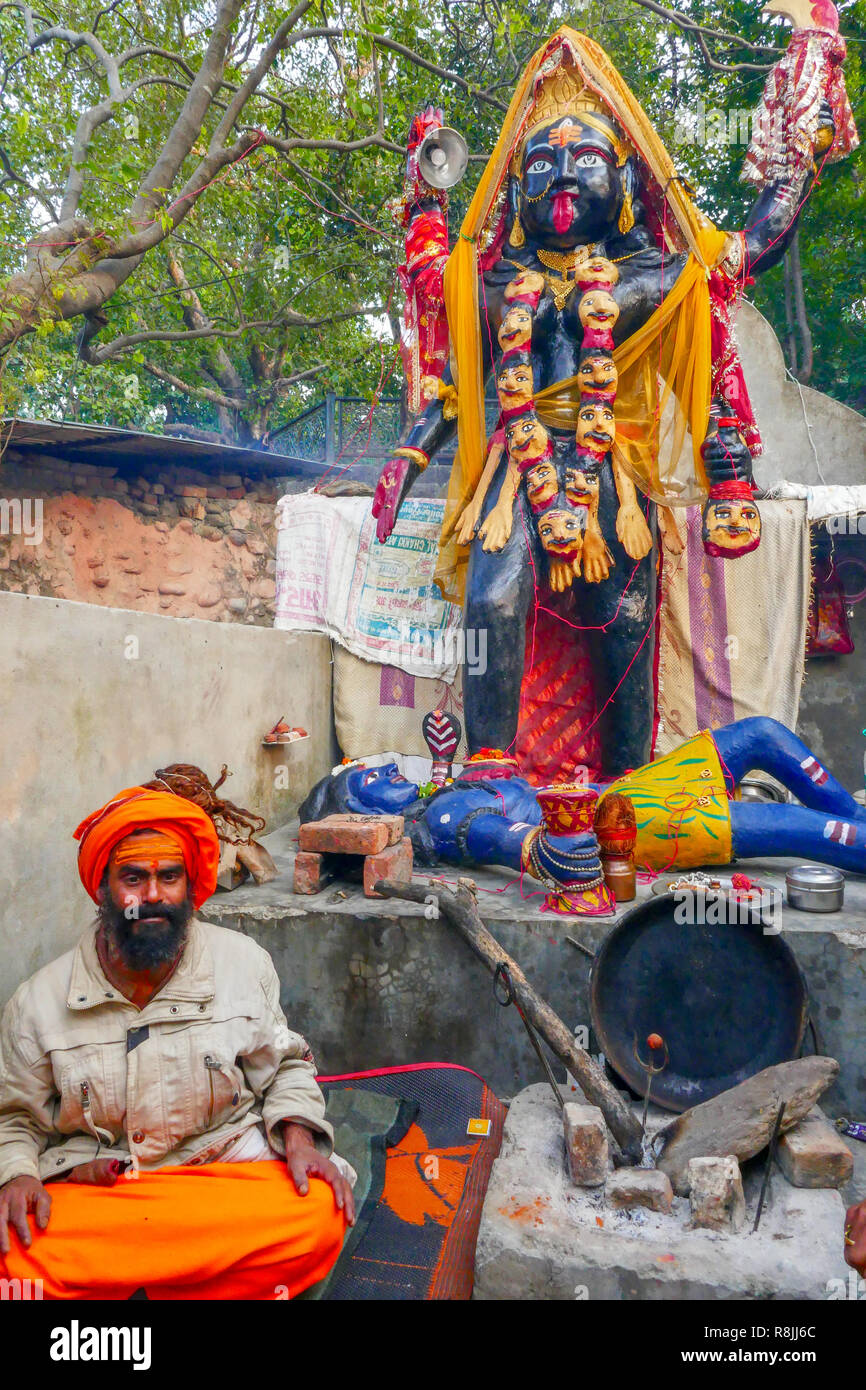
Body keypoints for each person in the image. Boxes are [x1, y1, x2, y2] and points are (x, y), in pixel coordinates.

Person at [371, 26, 847, 779]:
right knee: (491, 603)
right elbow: (456, 380)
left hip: (615, 475)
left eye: (585, 160)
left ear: (626, 185)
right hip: (514, 476)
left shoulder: (657, 280)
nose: (561, 177)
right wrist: (407, 455)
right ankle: (490, 779)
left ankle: (626, 786)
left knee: (621, 621)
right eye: (542, 164)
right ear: (516, 190)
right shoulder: (488, 283)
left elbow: (747, 252)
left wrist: (802, 160)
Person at [0, 784, 353, 1300]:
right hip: (106, 1186)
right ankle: (190, 1274)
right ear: (103, 888)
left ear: (190, 886)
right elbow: (15, 1120)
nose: (152, 896)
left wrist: (299, 1140)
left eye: (169, 877)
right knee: (15, 1259)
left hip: (224, 1163)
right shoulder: (38, 1002)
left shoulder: (243, 964)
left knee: (320, 1209)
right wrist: (17, 1176)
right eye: (133, 878)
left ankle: (139, 1280)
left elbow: (284, 1068)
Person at [301, 717, 866, 886]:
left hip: (631, 790)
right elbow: (547, 854)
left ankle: (857, 814)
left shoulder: (444, 792)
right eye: (364, 778)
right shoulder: (446, 818)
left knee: (764, 735)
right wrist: (577, 821)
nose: (376, 768)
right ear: (364, 810)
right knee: (792, 826)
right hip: (627, 826)